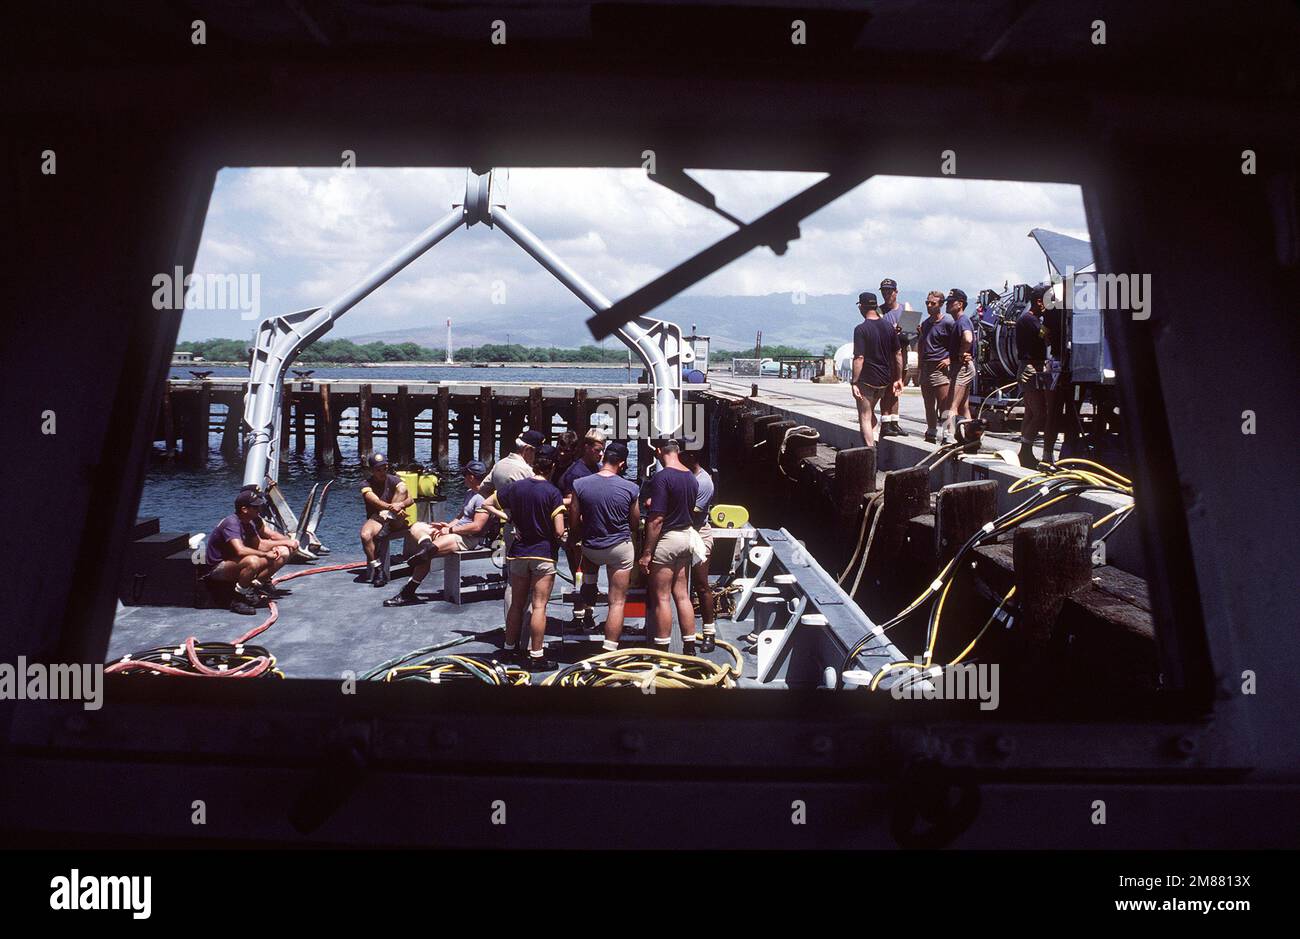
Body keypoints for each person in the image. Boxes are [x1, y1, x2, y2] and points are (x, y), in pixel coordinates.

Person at [382, 460, 498, 607]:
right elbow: (460, 517)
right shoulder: (470, 493)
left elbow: (477, 527)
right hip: (455, 532)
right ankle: (426, 546)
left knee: (429, 553)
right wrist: (447, 525)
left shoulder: (483, 498)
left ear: (471, 477)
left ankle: (408, 592)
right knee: (416, 526)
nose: (463, 477)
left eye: (464, 474)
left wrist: (450, 530)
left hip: (469, 539)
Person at [498, 444, 566, 671]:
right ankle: (536, 657)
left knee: (516, 605)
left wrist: (511, 521)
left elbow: (487, 504)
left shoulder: (516, 488)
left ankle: (509, 649)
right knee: (538, 607)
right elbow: (558, 531)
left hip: (518, 553)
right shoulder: (553, 492)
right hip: (543, 555)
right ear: (552, 467)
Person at [570, 442, 641, 650]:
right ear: (622, 463)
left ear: (603, 458)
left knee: (590, 550)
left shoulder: (579, 484)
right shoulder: (631, 488)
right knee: (617, 602)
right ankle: (609, 648)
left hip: (591, 548)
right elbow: (634, 524)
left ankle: (590, 582)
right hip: (619, 549)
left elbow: (574, 523)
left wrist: (577, 537)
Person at [638, 438, 701, 656]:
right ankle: (690, 648)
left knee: (662, 597)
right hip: (686, 538)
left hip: (668, 540)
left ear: (658, 451)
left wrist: (647, 553)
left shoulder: (662, 477)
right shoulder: (691, 477)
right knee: (682, 595)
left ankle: (662, 651)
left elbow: (656, 520)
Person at [204, 489, 297, 614]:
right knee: (252, 561)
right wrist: (266, 554)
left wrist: (284, 544)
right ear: (244, 509)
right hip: (217, 568)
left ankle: (254, 587)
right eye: (255, 507)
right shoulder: (231, 523)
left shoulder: (248, 523)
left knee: (281, 554)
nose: (259, 510)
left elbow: (259, 545)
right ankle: (238, 599)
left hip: (234, 563)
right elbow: (240, 550)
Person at [558, 428, 607, 628]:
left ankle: (588, 611)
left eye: (603, 450)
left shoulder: (597, 469)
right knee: (578, 573)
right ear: (586, 448)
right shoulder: (576, 473)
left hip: (592, 530)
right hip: (578, 531)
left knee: (589, 574)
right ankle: (580, 614)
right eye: (597, 450)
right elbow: (571, 505)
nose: (601, 454)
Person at [850, 291, 903, 449]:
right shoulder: (888, 327)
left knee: (864, 416)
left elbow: (859, 358)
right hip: (884, 380)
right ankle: (874, 442)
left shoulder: (861, 329)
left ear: (861, 306)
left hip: (867, 379)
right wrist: (899, 378)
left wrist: (854, 382)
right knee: (871, 412)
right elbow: (898, 354)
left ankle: (870, 451)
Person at [678, 447, 717, 652]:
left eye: (682, 455)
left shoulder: (704, 482)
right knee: (678, 586)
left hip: (699, 533)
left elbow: (691, 514)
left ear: (692, 457)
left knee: (701, 585)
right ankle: (684, 634)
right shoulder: (682, 476)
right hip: (680, 532)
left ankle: (709, 633)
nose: (678, 458)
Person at [358, 452, 413, 588]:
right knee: (365, 535)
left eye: (384, 469)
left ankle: (389, 520)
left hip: (395, 518)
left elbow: (410, 499)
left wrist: (400, 505)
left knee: (402, 488)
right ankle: (378, 569)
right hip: (378, 517)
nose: (382, 472)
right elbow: (374, 500)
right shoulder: (365, 484)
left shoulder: (394, 480)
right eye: (378, 470)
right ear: (372, 470)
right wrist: (392, 508)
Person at [1015, 285, 1052, 467]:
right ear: (1039, 301)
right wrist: (1052, 318)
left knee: (1030, 413)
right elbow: (1046, 336)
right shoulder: (1030, 320)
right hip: (1031, 368)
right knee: (1040, 413)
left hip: (1029, 367)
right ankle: (1025, 451)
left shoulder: (1028, 319)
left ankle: (1025, 452)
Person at [917, 289, 956, 443]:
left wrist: (950, 360)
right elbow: (922, 345)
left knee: (944, 404)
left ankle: (948, 433)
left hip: (940, 368)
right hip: (926, 367)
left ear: (940, 304)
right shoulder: (925, 324)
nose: (929, 306)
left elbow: (958, 342)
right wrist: (920, 368)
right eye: (927, 303)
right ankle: (931, 430)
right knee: (928, 404)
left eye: (932, 303)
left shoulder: (948, 323)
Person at [941, 288, 975, 445]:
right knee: (963, 406)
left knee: (952, 405)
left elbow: (968, 338)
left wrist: (962, 352)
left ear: (960, 304)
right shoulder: (959, 322)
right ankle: (971, 436)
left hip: (962, 367)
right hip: (962, 367)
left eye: (950, 302)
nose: (947, 305)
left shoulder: (962, 321)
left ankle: (948, 436)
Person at [877, 277, 909, 437]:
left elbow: (911, 334)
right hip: (887, 354)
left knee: (897, 388)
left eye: (889, 291)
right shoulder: (879, 311)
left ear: (896, 292)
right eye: (884, 291)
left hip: (902, 351)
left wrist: (914, 330)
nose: (886, 294)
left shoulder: (905, 308)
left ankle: (894, 421)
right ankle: (885, 422)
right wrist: (891, 331)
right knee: (887, 389)